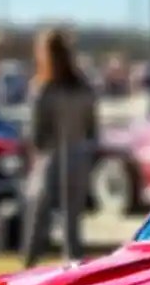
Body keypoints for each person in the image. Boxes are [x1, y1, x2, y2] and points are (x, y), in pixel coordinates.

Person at [22, 28, 97, 267]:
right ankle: (73, 266)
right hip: (78, 156)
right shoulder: (83, 87)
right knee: (72, 223)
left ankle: (29, 263)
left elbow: (36, 133)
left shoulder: (43, 88)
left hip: (51, 157)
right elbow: (92, 127)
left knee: (38, 217)